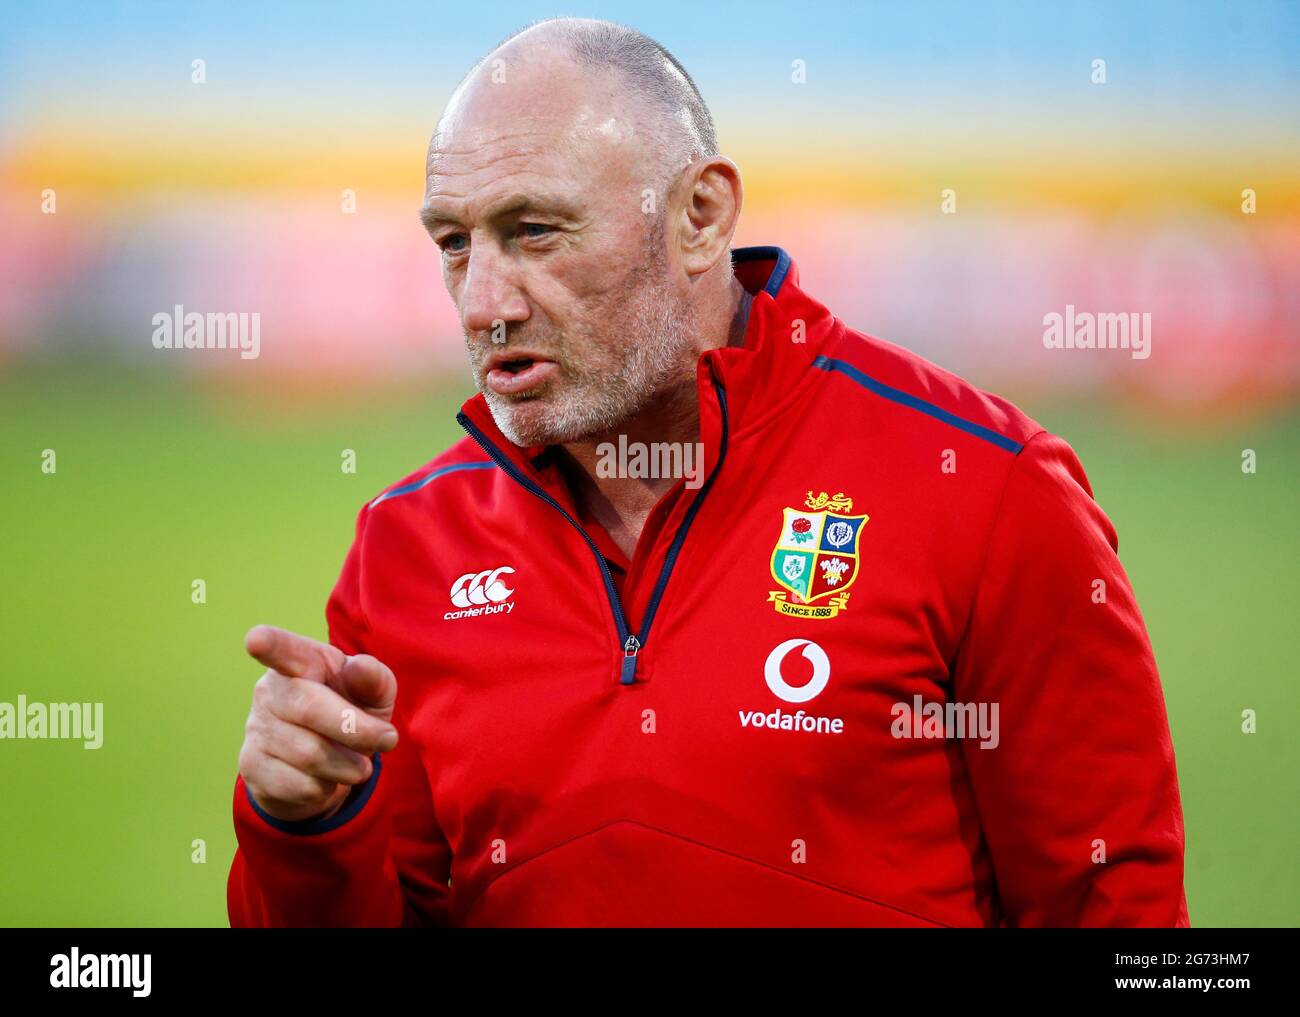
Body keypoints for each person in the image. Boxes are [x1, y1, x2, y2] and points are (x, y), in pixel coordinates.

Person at [228, 17, 1188, 927]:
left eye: (535, 232)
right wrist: (306, 828)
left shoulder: (985, 491)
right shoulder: (406, 549)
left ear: (699, 215)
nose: (484, 303)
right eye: (453, 244)